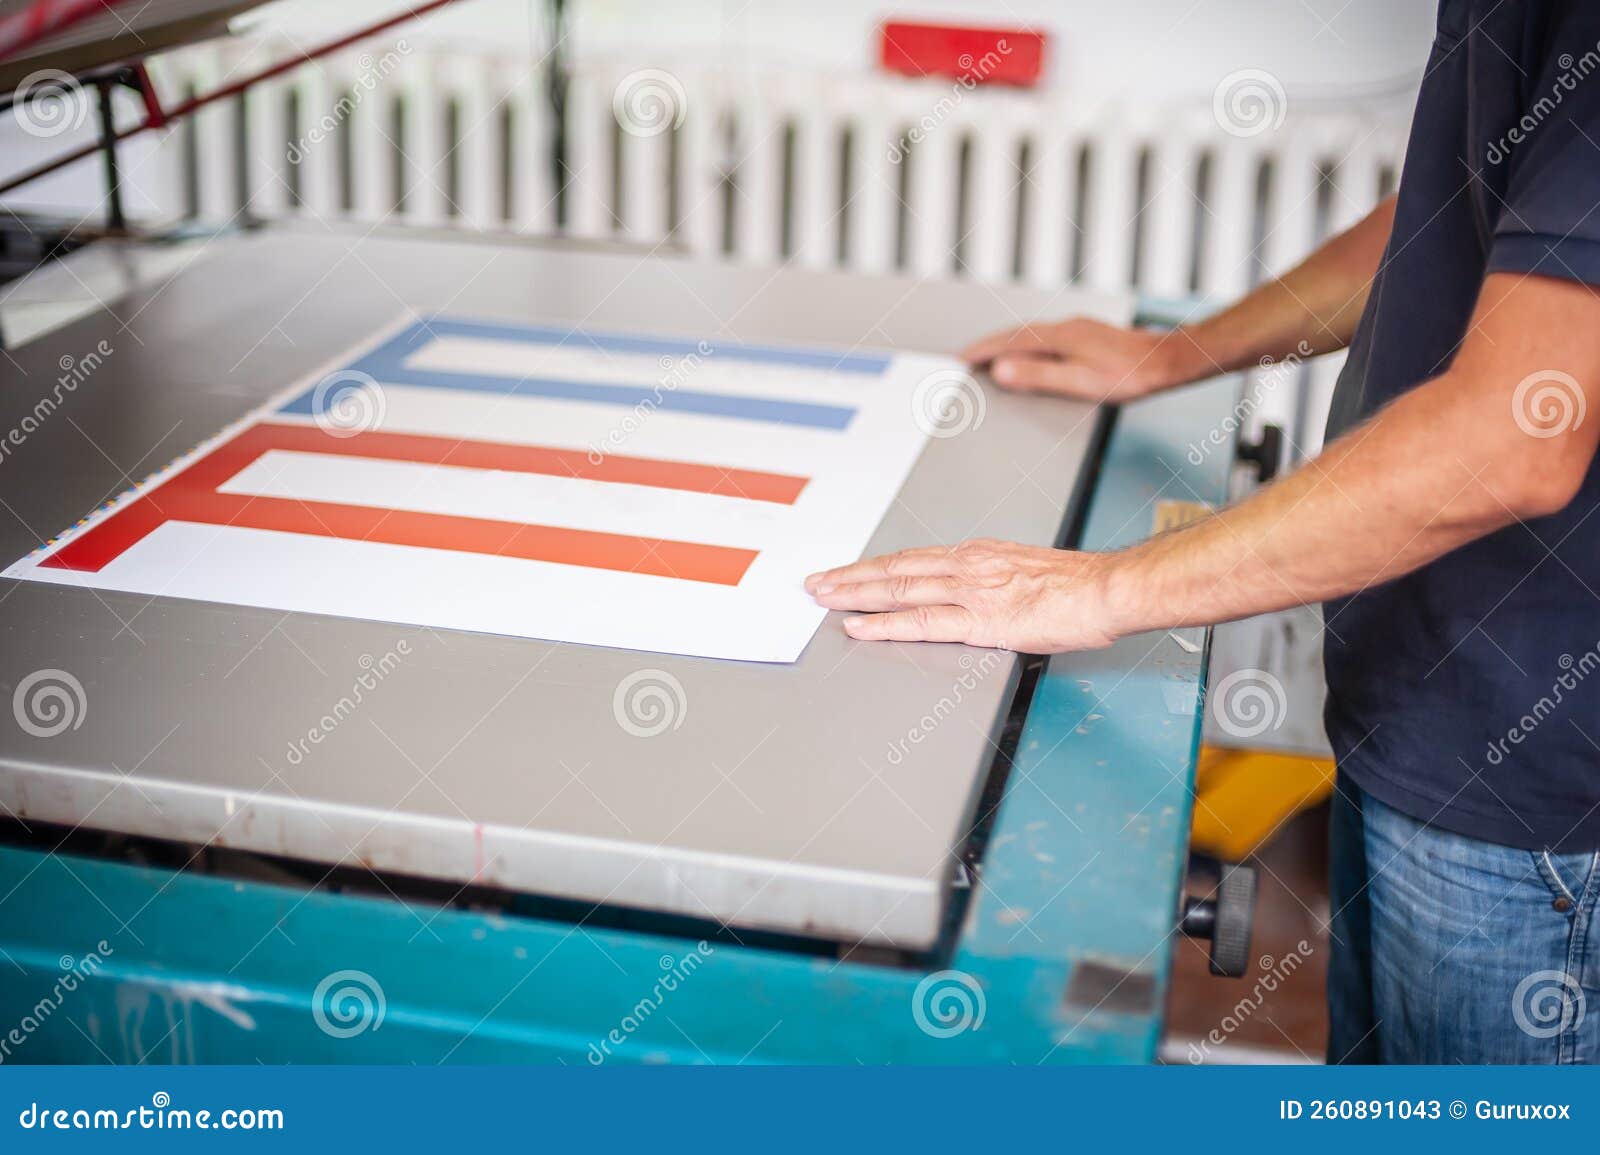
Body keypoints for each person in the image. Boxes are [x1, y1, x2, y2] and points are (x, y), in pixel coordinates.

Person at [807, 1, 1600, 1064]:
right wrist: (1171, 355)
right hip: (1421, 707)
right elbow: (1455, 215)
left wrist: (1095, 591)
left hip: (1535, 791)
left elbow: (1515, 432)